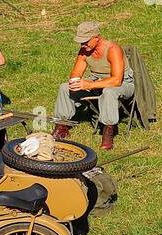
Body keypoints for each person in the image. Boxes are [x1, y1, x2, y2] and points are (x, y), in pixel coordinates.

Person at [52, 20, 134, 150]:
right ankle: (62, 126)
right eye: (81, 42)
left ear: (96, 37)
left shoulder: (113, 49)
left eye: (85, 41)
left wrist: (89, 85)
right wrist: (75, 83)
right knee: (64, 87)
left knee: (109, 92)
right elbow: (76, 73)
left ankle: (108, 131)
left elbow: (117, 80)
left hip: (122, 84)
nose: (83, 44)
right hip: (96, 82)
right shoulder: (84, 50)